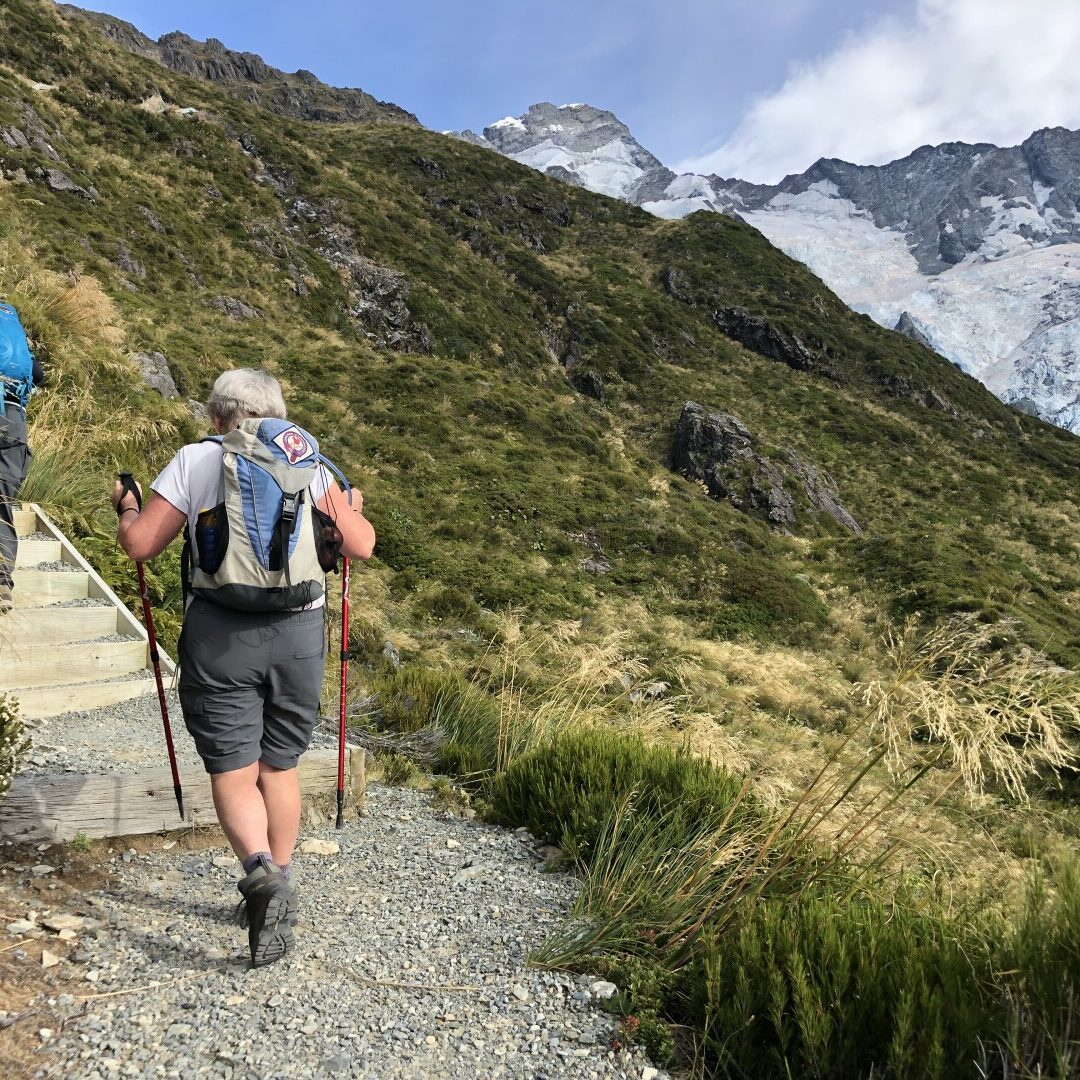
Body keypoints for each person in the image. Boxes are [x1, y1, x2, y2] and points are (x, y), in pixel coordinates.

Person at [111, 368, 374, 966]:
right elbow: (359, 546)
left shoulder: (195, 461)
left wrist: (128, 508)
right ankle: (281, 876)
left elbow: (140, 545)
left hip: (221, 633)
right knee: (279, 768)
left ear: (216, 417)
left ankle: (260, 876)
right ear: (276, 413)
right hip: (300, 632)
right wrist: (347, 508)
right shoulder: (307, 460)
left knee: (233, 770)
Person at [0, 331, 44, 613]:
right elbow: (38, 373)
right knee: (3, 502)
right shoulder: (14, 337)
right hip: (14, 420)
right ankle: (2, 582)